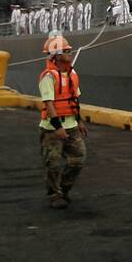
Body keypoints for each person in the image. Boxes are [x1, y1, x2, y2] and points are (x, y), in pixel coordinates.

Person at [38, 37, 87, 210]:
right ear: (56, 56)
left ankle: (64, 189)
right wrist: (58, 127)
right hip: (52, 129)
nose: (70, 54)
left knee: (78, 158)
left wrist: (79, 120)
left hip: (72, 125)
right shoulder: (48, 77)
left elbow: (75, 99)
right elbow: (49, 104)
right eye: (66, 51)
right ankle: (54, 194)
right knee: (53, 164)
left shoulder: (72, 75)